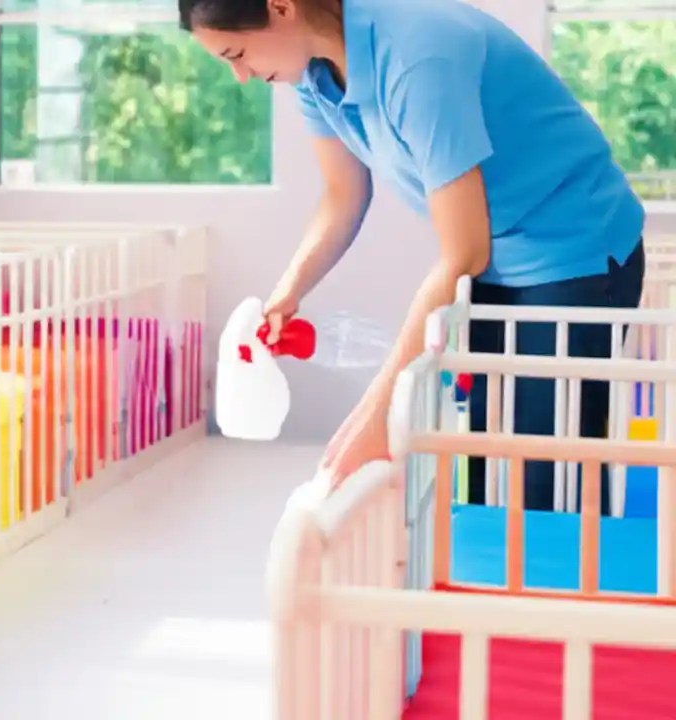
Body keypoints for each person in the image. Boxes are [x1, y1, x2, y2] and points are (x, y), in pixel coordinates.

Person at [181, 0, 646, 510]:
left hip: (571, 243)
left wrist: (376, 416)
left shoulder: (415, 58)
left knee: (546, 468)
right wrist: (287, 292)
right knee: (482, 452)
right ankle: (489, 586)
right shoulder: (313, 75)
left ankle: (560, 586)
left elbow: (462, 252)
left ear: (281, 7)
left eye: (237, 52)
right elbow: (342, 196)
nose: (241, 75)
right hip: (494, 256)